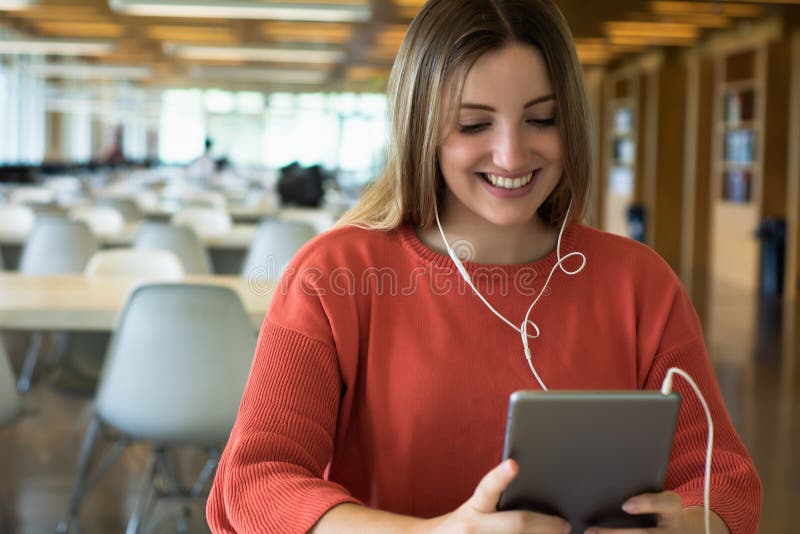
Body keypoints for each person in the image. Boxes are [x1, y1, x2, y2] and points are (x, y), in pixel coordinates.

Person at [206, 0, 762, 532]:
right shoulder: (334, 276)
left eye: (541, 119)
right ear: (422, 128)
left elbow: (725, 485)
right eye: (474, 125)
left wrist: (689, 525)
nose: (512, 155)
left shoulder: (639, 285)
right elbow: (252, 485)